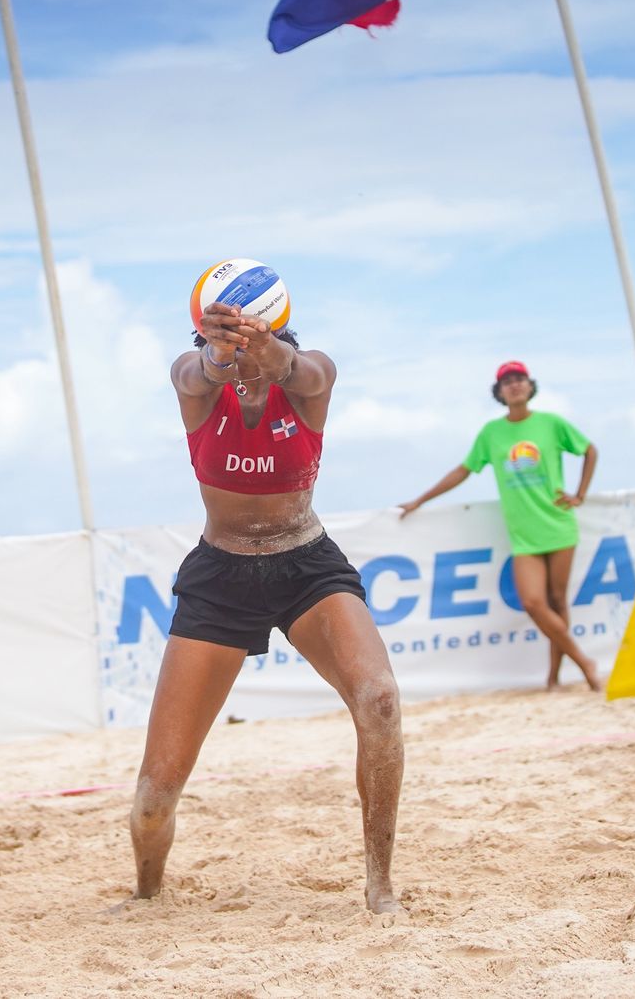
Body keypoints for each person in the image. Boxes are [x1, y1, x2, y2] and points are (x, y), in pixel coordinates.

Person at [127, 289, 404, 914]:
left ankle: (380, 884)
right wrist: (221, 350)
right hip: (220, 576)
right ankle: (147, 891)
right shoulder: (195, 380)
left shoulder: (309, 378)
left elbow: (298, 368)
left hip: (306, 565)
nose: (242, 364)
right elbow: (198, 371)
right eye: (225, 348)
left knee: (380, 700)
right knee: (153, 795)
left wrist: (262, 343)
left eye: (257, 350)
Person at [398, 360, 601, 692]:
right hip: (524, 534)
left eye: (520, 378)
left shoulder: (551, 424)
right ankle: (585, 662)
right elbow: (463, 471)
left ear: (530, 386)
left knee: (558, 601)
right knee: (535, 602)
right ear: (499, 391)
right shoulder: (492, 433)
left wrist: (580, 494)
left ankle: (553, 679)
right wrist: (420, 500)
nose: (515, 384)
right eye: (507, 381)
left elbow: (589, 450)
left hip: (558, 524)